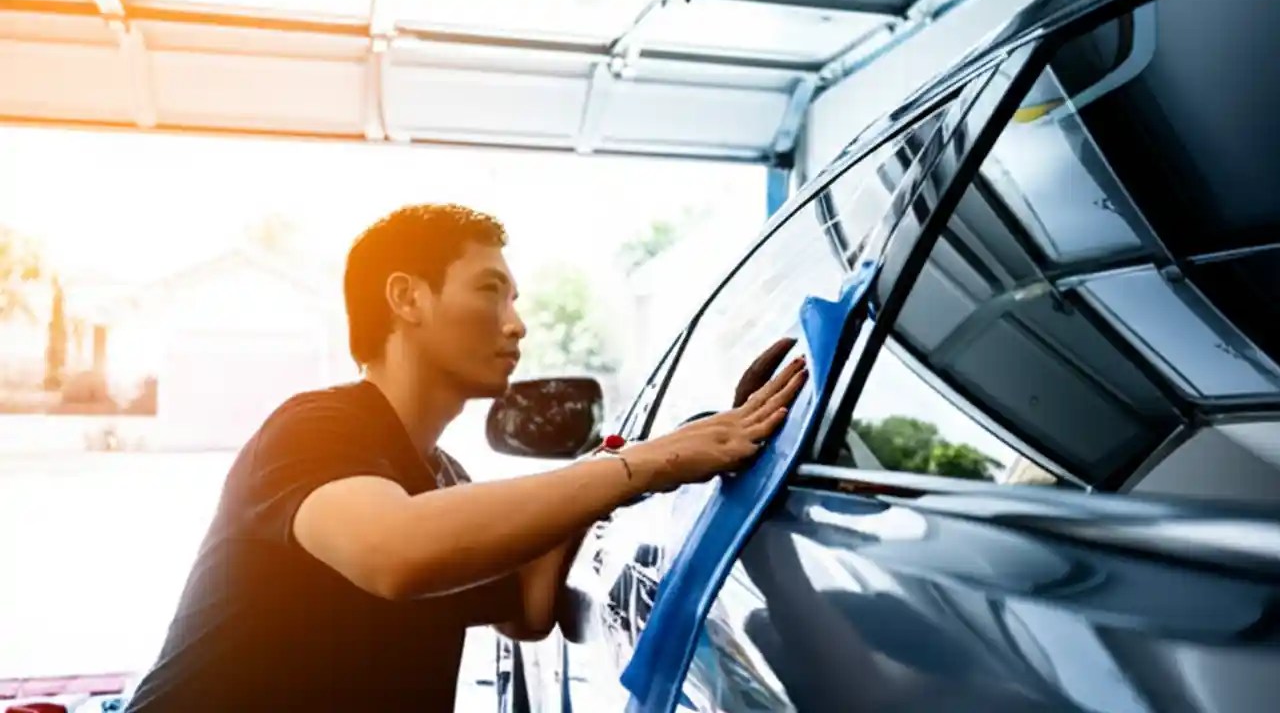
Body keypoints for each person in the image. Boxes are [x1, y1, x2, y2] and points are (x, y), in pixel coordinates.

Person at [124, 204, 806, 712]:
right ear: (407, 298)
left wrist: (694, 449)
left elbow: (528, 608)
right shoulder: (313, 427)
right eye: (490, 291)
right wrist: (646, 463)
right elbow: (396, 552)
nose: (517, 324)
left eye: (514, 300)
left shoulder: (445, 477)